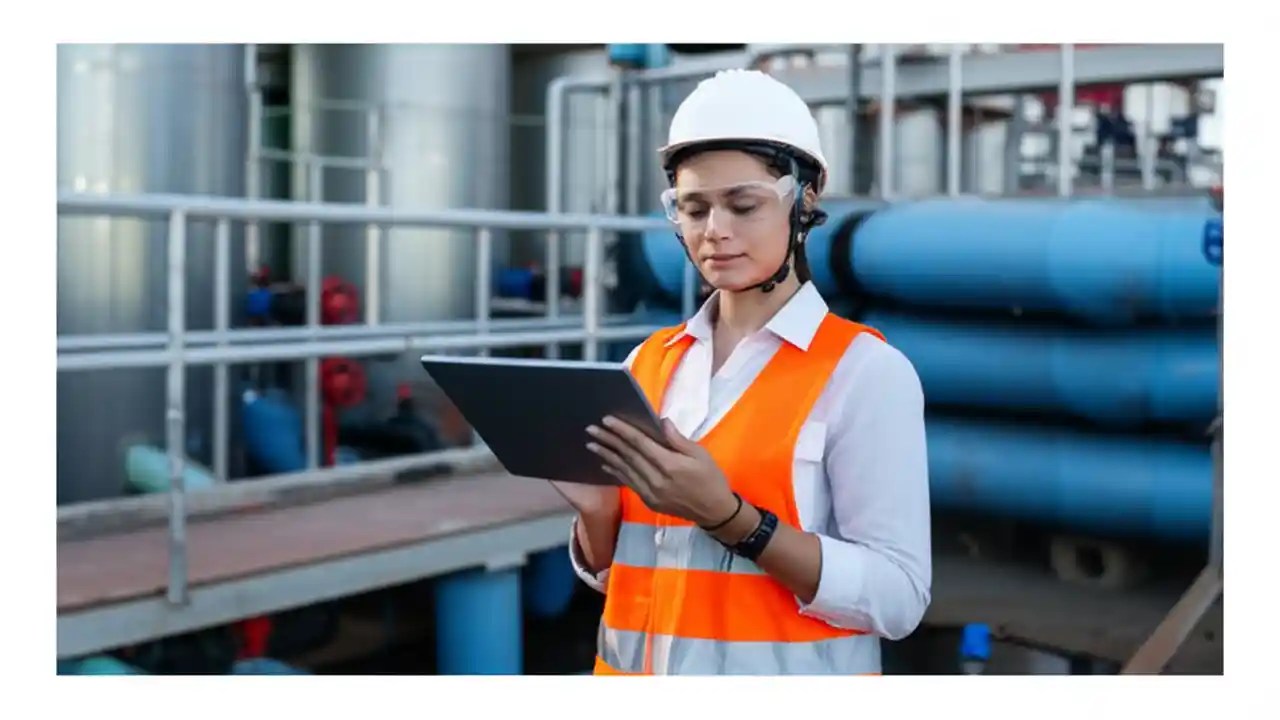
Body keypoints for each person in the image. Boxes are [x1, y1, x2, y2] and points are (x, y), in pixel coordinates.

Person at [548, 69, 932, 676]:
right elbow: (634, 581)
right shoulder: (646, 365)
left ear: (805, 201)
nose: (715, 231)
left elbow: (899, 597)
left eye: (743, 205)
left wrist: (732, 519)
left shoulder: (865, 374)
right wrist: (598, 515)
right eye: (694, 208)